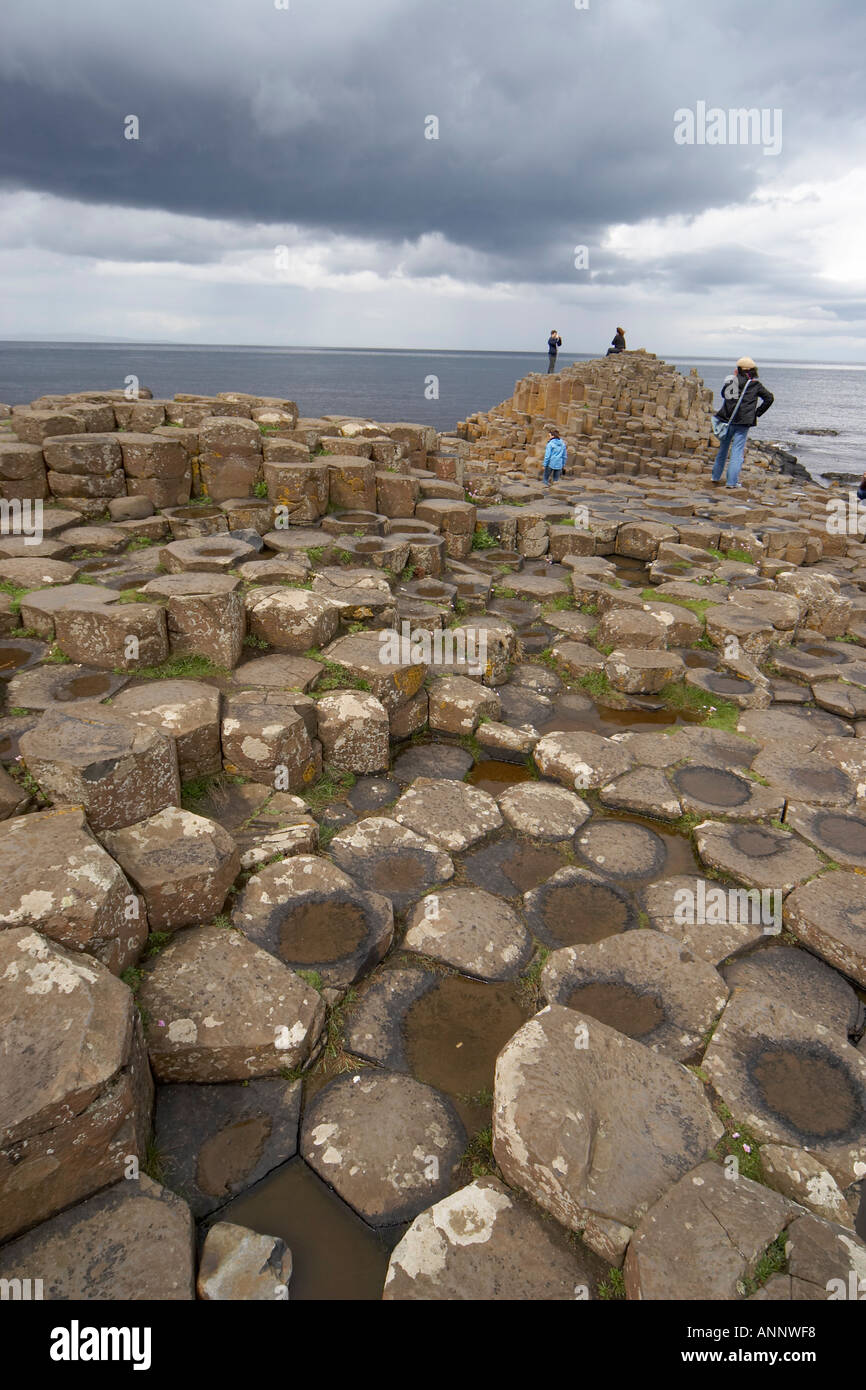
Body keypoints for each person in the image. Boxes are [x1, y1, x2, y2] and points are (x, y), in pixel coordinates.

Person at [711, 356, 774, 489]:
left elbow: (725, 396)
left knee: (723, 449)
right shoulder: (755, 385)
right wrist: (757, 412)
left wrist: (734, 379)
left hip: (728, 420)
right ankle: (731, 483)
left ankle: (715, 477)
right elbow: (769, 398)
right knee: (737, 452)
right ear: (753, 371)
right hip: (743, 423)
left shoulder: (732, 382)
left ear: (738, 369)